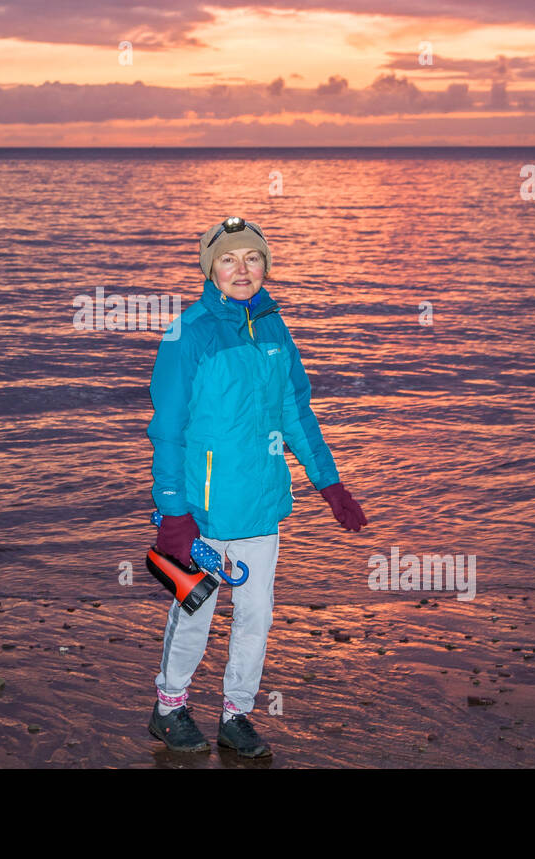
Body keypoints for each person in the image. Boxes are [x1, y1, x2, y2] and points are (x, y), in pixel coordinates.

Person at [145, 216, 368, 758]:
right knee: (194, 611)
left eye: (252, 259)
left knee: (257, 616)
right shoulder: (188, 332)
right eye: (228, 259)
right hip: (201, 514)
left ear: (265, 266)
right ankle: (169, 708)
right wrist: (173, 511)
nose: (241, 270)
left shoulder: (274, 327)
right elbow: (167, 429)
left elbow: (296, 411)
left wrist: (329, 482)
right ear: (210, 268)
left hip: (261, 506)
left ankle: (236, 715)